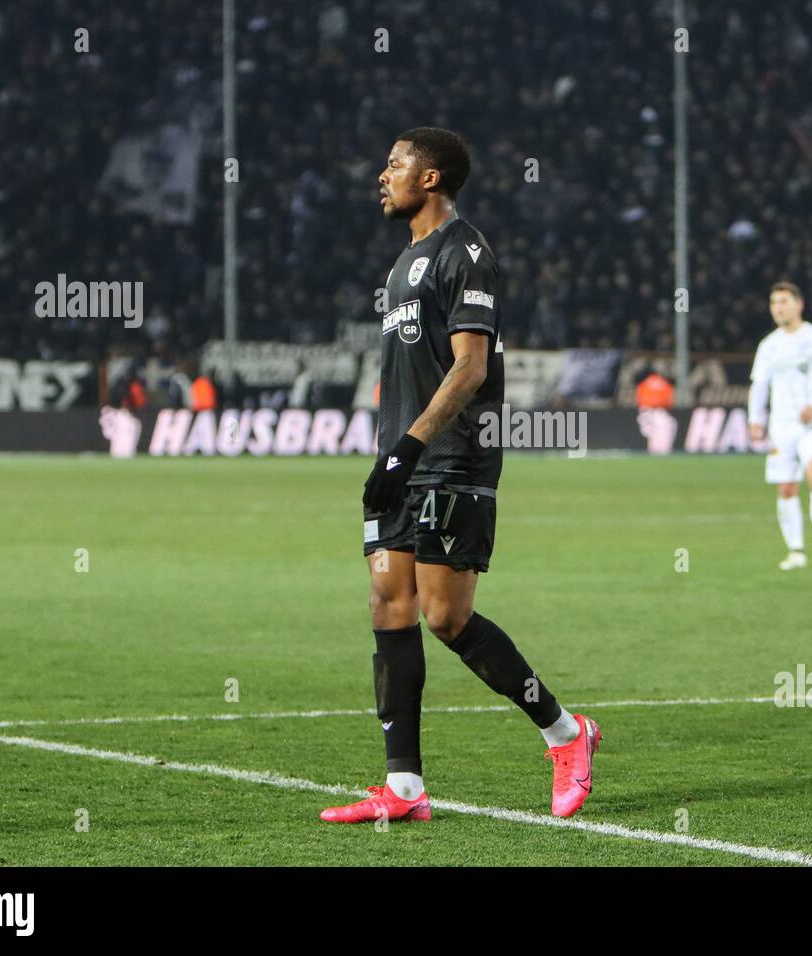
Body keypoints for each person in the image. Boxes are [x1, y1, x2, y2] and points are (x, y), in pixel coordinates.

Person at [321, 128, 600, 825]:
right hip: (402, 456)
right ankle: (405, 789)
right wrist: (391, 449)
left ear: (433, 177)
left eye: (396, 165)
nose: (382, 175)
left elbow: (470, 368)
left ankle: (567, 734)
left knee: (446, 616)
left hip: (451, 457)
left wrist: (410, 447)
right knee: (389, 602)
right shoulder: (402, 264)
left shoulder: (465, 254)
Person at [747, 281, 812, 570]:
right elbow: (760, 386)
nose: (778, 307)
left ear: (799, 304)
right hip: (782, 426)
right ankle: (796, 551)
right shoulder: (769, 345)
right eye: (774, 302)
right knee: (787, 488)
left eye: (784, 301)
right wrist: (755, 419)